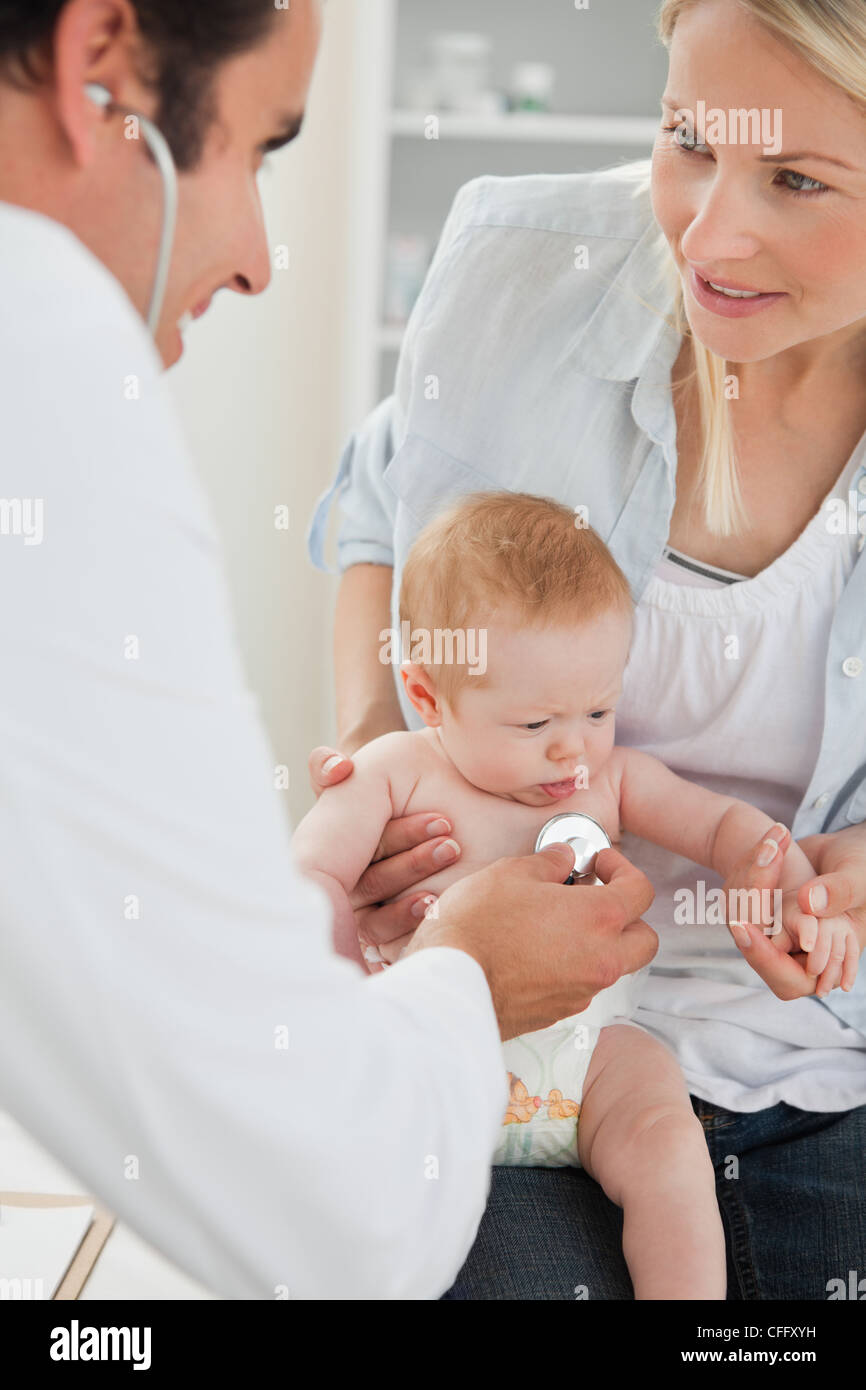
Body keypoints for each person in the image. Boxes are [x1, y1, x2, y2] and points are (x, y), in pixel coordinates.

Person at [0, 0, 660, 1299]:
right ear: (99, 67)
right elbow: (339, 1216)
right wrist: (466, 964)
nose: (252, 257)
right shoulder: (47, 355)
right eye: (256, 146)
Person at [308, 0, 866, 1299]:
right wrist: (384, 776)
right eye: (686, 140)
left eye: (794, 180)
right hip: (522, 1036)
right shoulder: (521, 274)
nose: (708, 233)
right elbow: (376, 506)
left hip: (816, 1052)